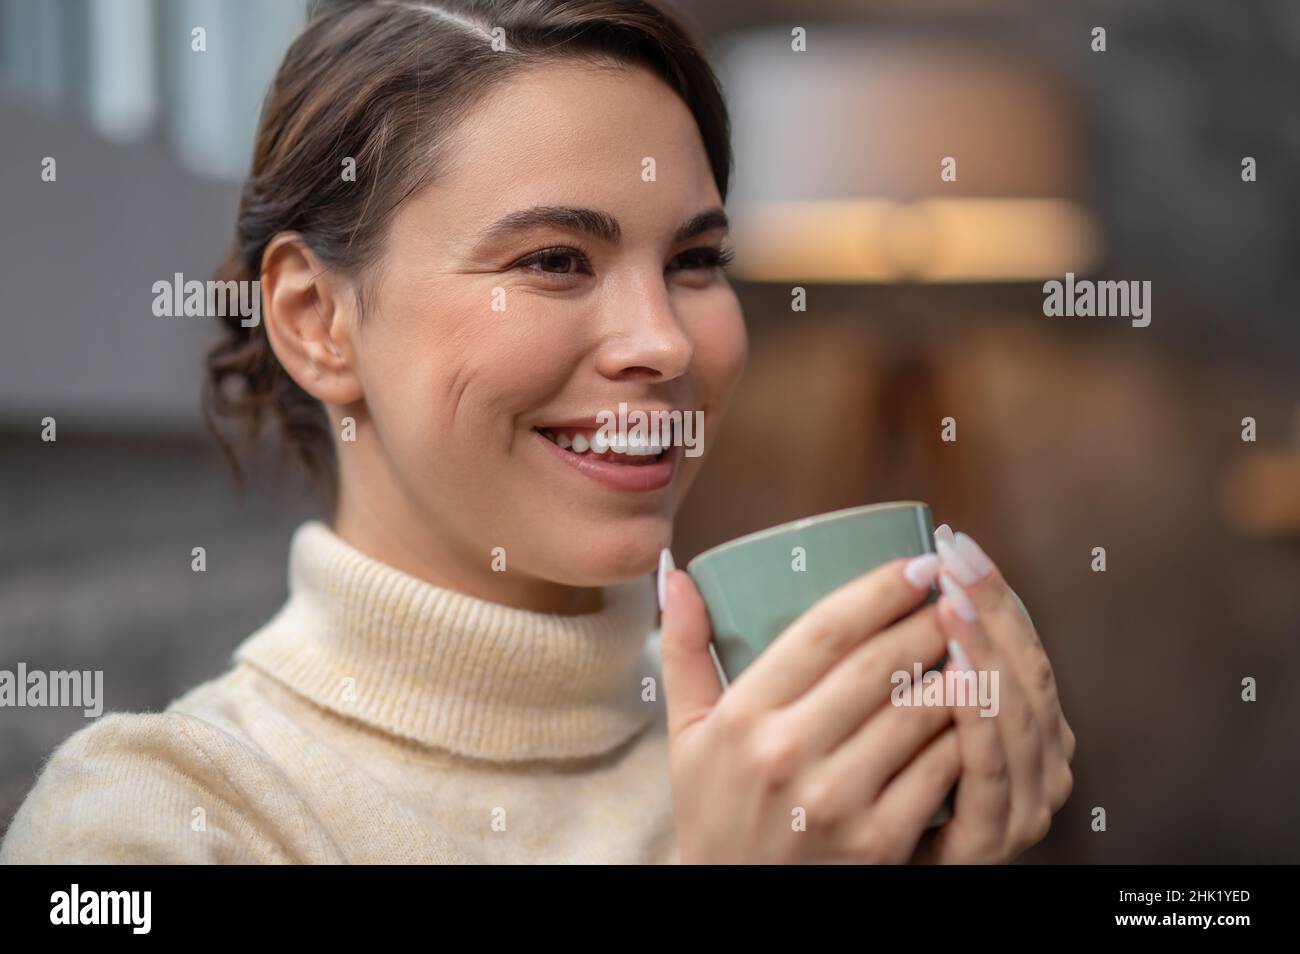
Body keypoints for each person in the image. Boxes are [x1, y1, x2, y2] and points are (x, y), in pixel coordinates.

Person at [0, 0, 1072, 864]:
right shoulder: (152, 828)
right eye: (554, 259)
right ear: (315, 321)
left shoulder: (802, 753)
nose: (663, 341)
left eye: (696, 262)